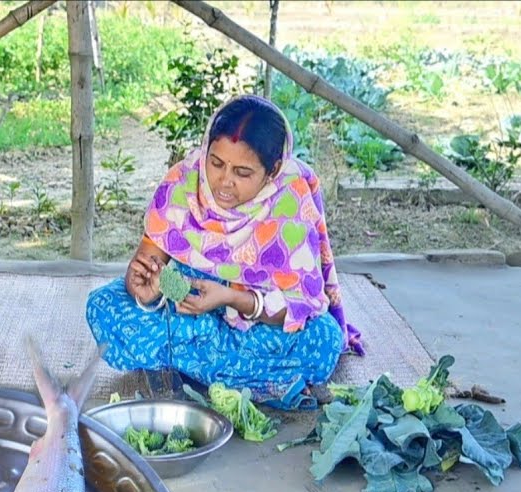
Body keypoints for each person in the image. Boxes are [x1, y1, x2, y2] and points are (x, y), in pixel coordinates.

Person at [86, 95, 363, 410]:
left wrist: (230, 297)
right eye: (216, 163)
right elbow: (149, 265)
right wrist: (146, 293)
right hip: (187, 302)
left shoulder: (290, 203)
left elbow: (299, 307)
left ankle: (187, 360)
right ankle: (244, 374)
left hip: (258, 318)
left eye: (243, 173)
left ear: (272, 170)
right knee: (103, 307)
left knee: (321, 340)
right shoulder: (184, 180)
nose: (224, 182)